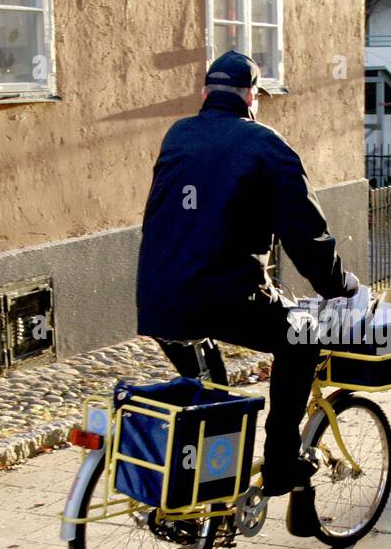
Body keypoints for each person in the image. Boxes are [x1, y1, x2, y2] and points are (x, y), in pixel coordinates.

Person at [136, 50, 361, 496]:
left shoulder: (178, 134)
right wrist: (337, 285)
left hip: (160, 296)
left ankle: (206, 498)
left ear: (205, 94)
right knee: (302, 338)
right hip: (225, 295)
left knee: (213, 400)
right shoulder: (265, 145)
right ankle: (280, 464)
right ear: (252, 96)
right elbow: (306, 233)